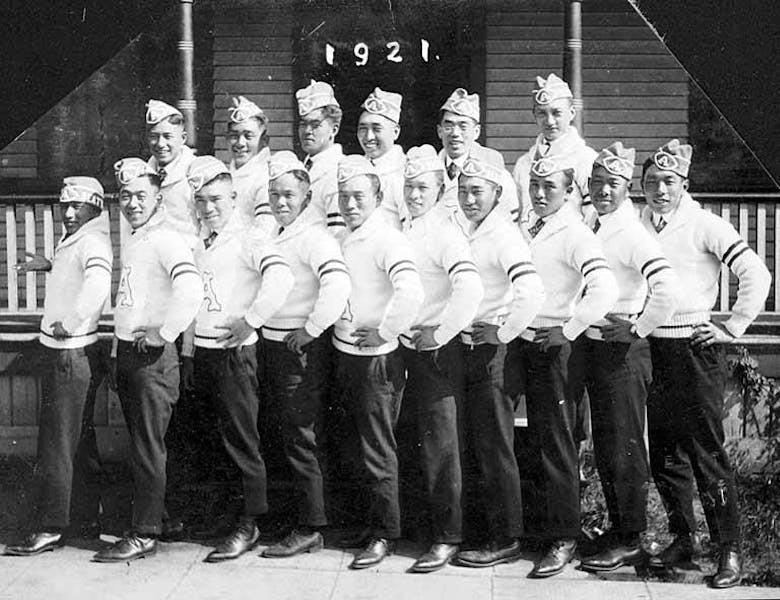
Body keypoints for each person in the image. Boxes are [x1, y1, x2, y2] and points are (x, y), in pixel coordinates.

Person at [639, 139, 771, 588]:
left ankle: (729, 550)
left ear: (685, 185)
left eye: (669, 182)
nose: (660, 189)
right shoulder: (642, 224)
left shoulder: (704, 224)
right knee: (664, 453)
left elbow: (757, 272)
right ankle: (683, 539)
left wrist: (733, 326)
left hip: (695, 348)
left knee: (706, 454)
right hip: (652, 348)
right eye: (652, 182)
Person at [184, 155, 295, 562]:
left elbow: (281, 276)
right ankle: (230, 515)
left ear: (233, 197)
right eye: (201, 200)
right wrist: (189, 351)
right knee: (216, 440)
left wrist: (252, 320)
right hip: (206, 352)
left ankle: (250, 523)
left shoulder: (250, 237)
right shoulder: (200, 241)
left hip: (235, 354)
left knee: (242, 441)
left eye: (216, 199)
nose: (209, 208)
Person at [92, 158, 202, 563]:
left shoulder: (165, 238)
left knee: (146, 447)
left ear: (158, 198)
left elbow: (190, 288)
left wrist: (165, 333)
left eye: (141, 195)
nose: (133, 203)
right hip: (131, 355)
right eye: (126, 196)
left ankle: (144, 532)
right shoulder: (139, 236)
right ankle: (159, 518)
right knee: (145, 445)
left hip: (152, 358)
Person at [576, 142, 678, 573]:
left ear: (626, 189)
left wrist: (638, 326)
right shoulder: (596, 225)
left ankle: (632, 537)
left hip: (623, 349)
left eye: (612, 184)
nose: (603, 190)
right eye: (597, 182)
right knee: (607, 442)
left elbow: (667, 288)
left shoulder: (632, 232)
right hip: (597, 345)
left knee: (624, 445)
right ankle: (618, 530)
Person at [517, 151, 618, 578]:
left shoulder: (576, 233)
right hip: (523, 340)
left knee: (558, 441)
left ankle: (564, 536)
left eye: (550, 187)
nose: (539, 194)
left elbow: (605, 288)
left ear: (569, 191)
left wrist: (570, 328)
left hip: (556, 346)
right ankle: (540, 527)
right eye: (534, 186)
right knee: (534, 437)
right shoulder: (526, 225)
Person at [4, 177, 112, 556]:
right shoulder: (80, 238)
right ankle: (85, 518)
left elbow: (98, 283)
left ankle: (52, 526)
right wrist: (48, 264)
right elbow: (77, 274)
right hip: (70, 353)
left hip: (70, 352)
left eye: (77, 206)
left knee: (57, 444)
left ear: (94, 207)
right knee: (78, 442)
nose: (68, 213)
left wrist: (74, 318)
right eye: (65, 205)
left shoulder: (93, 241)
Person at [450, 156, 545, 569]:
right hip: (467, 347)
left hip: (494, 352)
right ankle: (481, 529)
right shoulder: (469, 231)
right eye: (463, 190)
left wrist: (503, 331)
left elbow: (531, 291)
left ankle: (506, 536)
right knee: (473, 441)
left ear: (498, 194)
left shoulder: (504, 236)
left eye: (478, 191)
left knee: (494, 444)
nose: (469, 199)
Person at [332, 155, 424, 569]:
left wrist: (387, 331)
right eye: (344, 196)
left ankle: (386, 532)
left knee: (377, 449)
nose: (350, 205)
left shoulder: (388, 239)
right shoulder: (346, 236)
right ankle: (367, 524)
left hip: (377, 360)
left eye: (359, 198)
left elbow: (411, 293)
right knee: (353, 444)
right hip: (346, 353)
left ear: (378, 197)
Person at [260, 151, 351, 558]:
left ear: (307, 196)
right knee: (289, 434)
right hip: (274, 346)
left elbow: (337, 286)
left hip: (299, 351)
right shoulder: (279, 234)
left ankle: (312, 525)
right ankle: (304, 516)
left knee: (302, 437)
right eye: (275, 194)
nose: (281, 202)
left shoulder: (314, 236)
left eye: (289, 195)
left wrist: (310, 329)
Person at [398, 145, 484, 572]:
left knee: (441, 445)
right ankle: (422, 528)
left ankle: (448, 536)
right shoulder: (404, 228)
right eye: (409, 186)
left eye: (422, 188)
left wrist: (441, 332)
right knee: (413, 440)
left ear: (438, 190)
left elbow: (469, 288)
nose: (414, 195)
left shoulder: (445, 233)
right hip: (403, 348)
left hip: (435, 352)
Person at [512, 74, 597, 227]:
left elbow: (593, 215)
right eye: (542, 113)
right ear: (534, 116)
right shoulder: (524, 163)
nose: (549, 121)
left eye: (557, 113)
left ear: (571, 113)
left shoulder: (585, 158)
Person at [436, 88, 519, 224]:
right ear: (439, 131)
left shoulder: (494, 172)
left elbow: (510, 221)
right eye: (448, 126)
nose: (455, 133)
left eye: (463, 126)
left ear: (476, 132)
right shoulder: (430, 169)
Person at [144, 99, 199, 245]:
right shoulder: (144, 174)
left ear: (183, 138)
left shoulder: (196, 171)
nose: (160, 144)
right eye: (154, 137)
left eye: (168, 137)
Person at [296, 79, 345, 238]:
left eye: (315, 124)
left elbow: (337, 234)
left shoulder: (340, 170)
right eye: (303, 124)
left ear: (334, 129)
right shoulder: (302, 168)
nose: (307, 131)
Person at [357, 87, 407, 229]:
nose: (368, 137)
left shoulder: (404, 172)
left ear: (395, 132)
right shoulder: (355, 167)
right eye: (363, 128)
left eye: (377, 129)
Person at [225, 95, 275, 234]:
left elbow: (264, 231)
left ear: (264, 140)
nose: (240, 143)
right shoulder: (227, 175)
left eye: (248, 136)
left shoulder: (266, 177)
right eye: (234, 136)